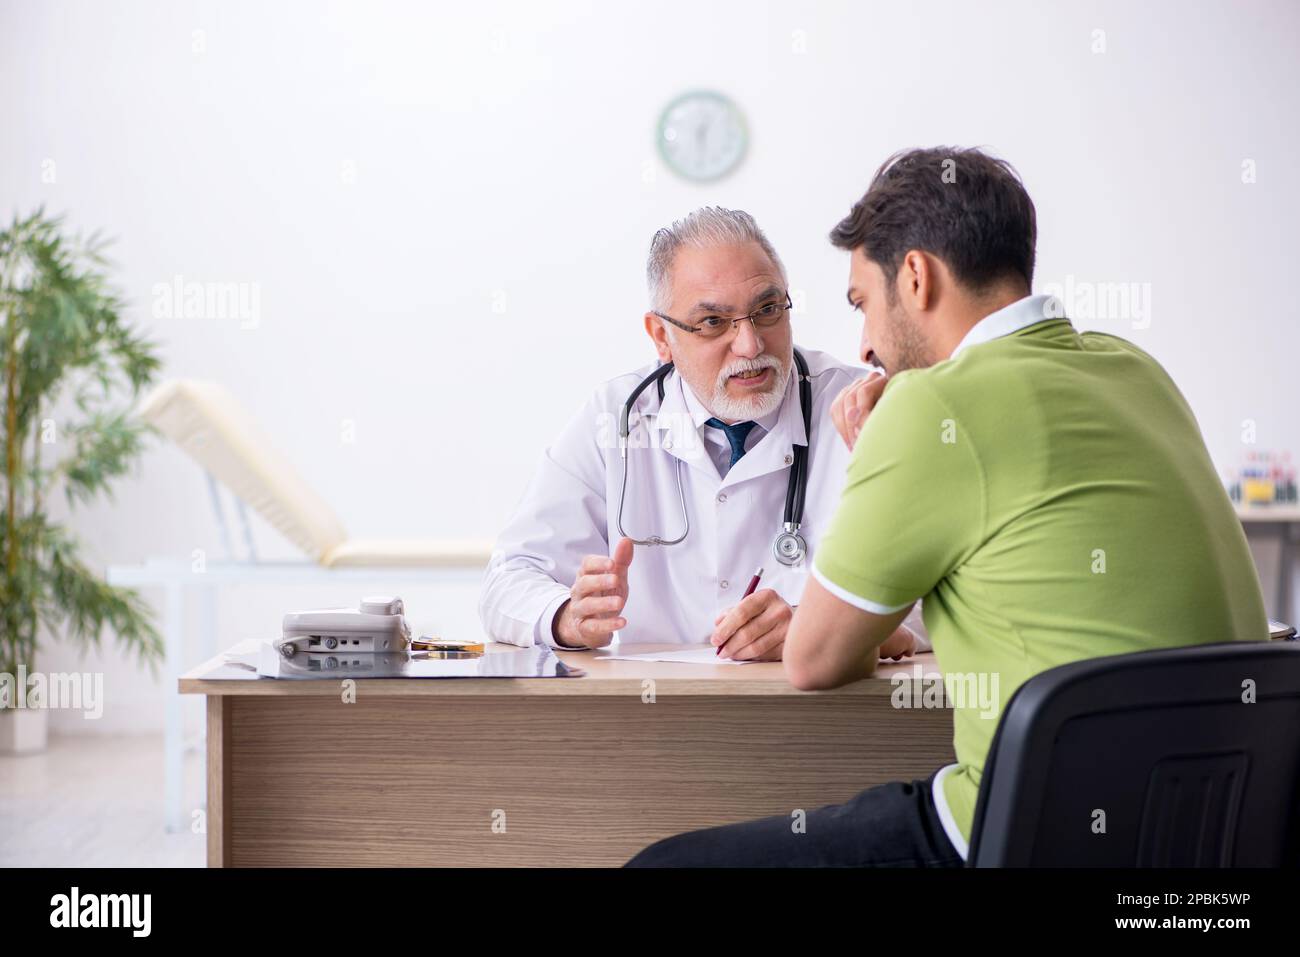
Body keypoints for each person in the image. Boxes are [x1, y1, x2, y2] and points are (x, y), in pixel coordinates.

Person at [627, 147, 1268, 866]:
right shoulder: (1136, 369)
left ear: (915, 276)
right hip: (1221, 832)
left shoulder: (932, 404)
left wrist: (880, 452)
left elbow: (813, 659)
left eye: (862, 303)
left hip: (1034, 832)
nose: (864, 344)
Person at [479, 206, 924, 660]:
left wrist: (824, 628)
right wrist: (565, 617)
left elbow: (941, 599)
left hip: (825, 720)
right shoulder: (615, 420)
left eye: (767, 310)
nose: (750, 345)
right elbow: (507, 580)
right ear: (661, 337)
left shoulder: (862, 406)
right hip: (656, 717)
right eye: (713, 322)